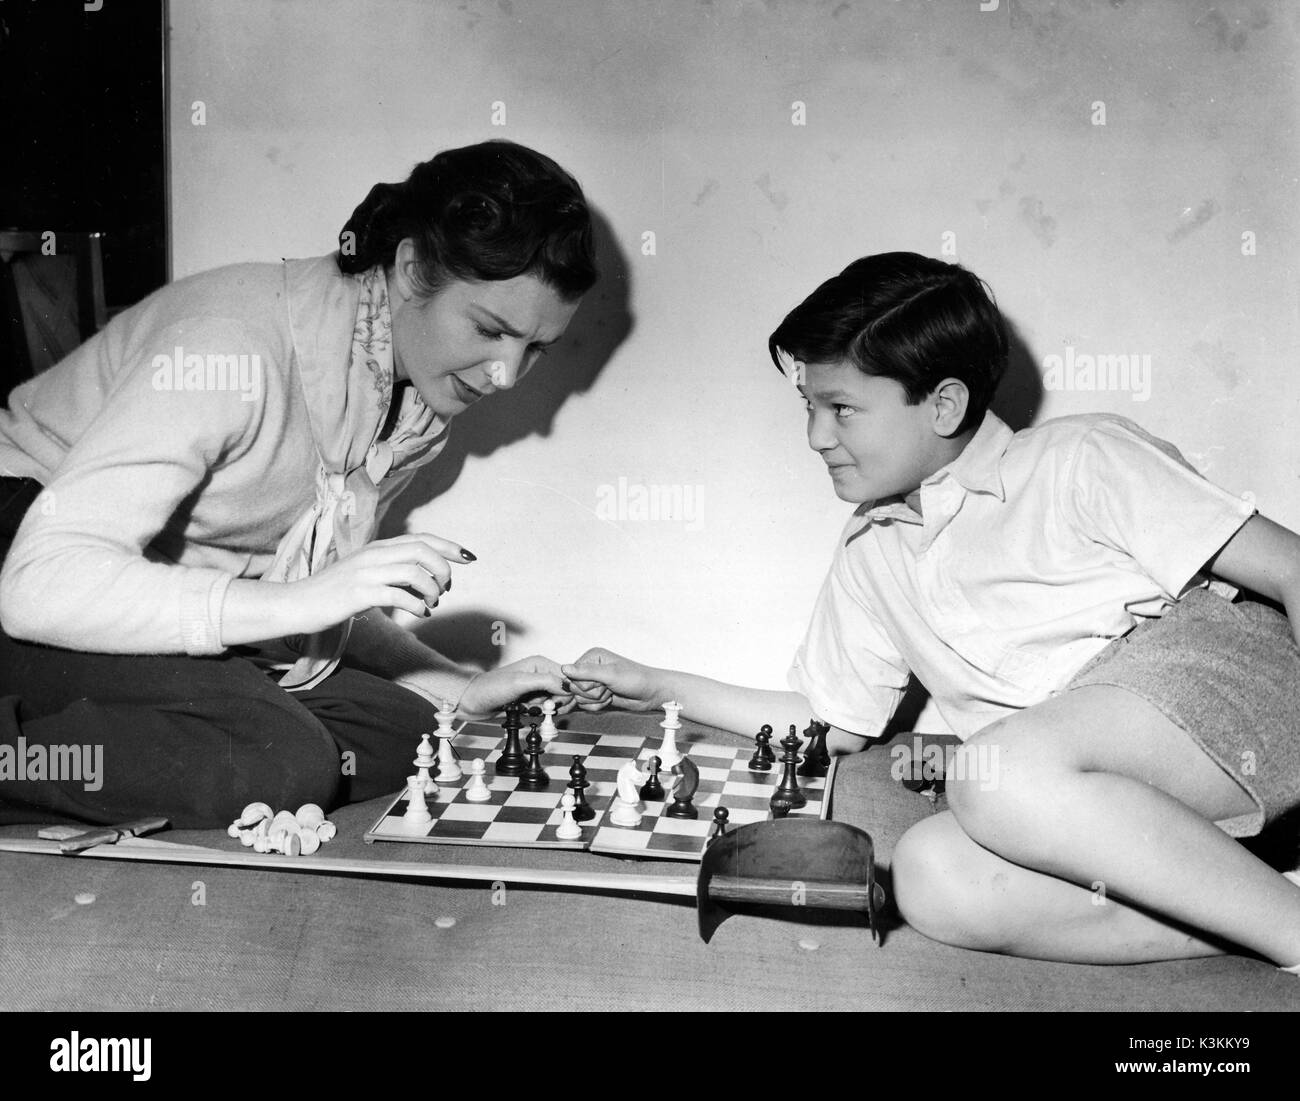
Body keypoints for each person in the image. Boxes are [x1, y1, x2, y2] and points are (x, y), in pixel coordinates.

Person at [563, 252, 1300, 971]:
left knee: (988, 772)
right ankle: (1260, 906)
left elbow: (1291, 568)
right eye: (810, 407)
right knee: (928, 875)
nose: (816, 436)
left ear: (943, 403)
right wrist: (656, 684)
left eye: (842, 408)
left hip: (1225, 692)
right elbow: (832, 722)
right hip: (1080, 793)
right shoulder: (868, 551)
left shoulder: (1078, 458)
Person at [0, 139, 604, 829]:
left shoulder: (407, 405)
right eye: (490, 329)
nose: (503, 375)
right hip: (23, 555)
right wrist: (296, 602)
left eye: (533, 350)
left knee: (411, 735)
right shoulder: (229, 345)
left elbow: (319, 597)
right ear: (410, 269)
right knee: (280, 757)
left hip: (144, 590)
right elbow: (34, 586)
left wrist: (459, 689)